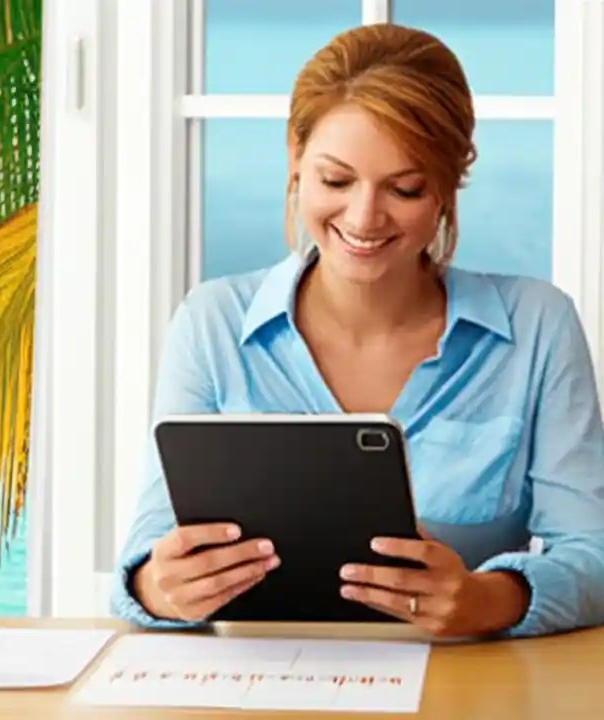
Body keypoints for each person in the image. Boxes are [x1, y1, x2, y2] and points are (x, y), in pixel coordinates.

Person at [111, 23, 604, 639]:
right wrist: (160, 588)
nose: (364, 217)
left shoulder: (537, 327)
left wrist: (488, 599)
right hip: (258, 680)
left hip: (462, 680)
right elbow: (145, 555)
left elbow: (592, 553)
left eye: (405, 188)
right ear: (295, 158)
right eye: (336, 181)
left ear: (449, 182)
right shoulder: (212, 324)